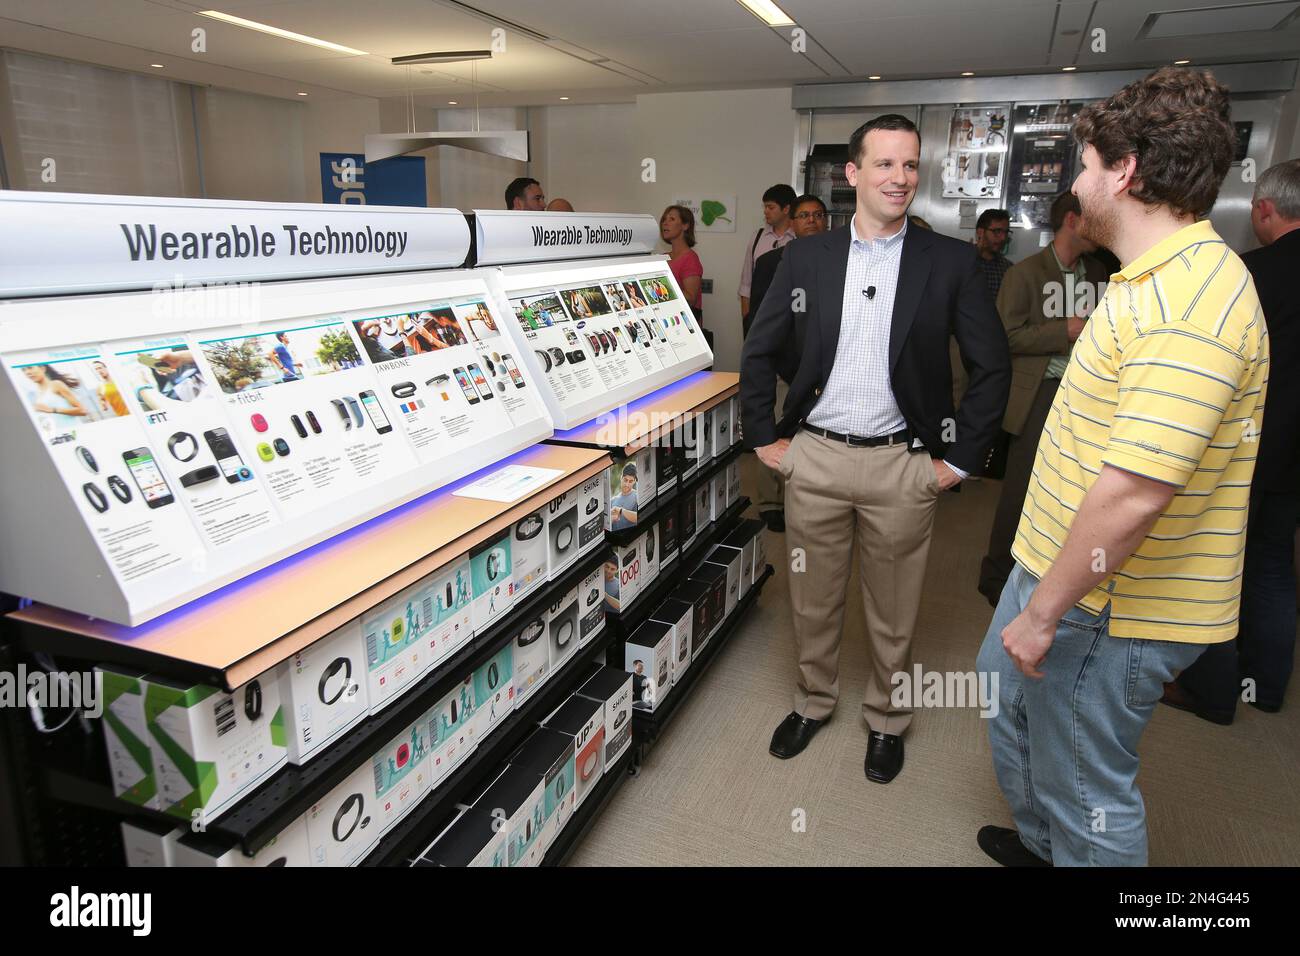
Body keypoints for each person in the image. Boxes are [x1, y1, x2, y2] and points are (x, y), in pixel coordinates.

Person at [975, 67, 1266, 867]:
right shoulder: (1151, 279)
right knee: (1008, 707)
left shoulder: (1189, 303)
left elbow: (1135, 494)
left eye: (1086, 166)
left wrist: (1044, 613)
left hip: (1107, 603)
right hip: (1060, 572)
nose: (1076, 184)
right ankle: (1043, 847)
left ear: (1125, 172)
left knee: (1086, 789)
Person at [741, 114, 1010, 782]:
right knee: (812, 597)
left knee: (894, 611)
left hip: (902, 465)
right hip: (816, 459)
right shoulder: (806, 258)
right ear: (853, 172)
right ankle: (813, 701)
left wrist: (958, 460)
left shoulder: (949, 262)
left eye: (910, 164)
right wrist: (765, 439)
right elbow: (759, 349)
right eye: (885, 164)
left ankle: (888, 719)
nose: (900, 177)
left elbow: (992, 366)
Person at [1162, 158, 1300, 723]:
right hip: (1295, 458)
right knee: (1274, 564)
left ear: (1264, 209)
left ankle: (1214, 690)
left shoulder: (1250, 274)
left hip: (1249, 448)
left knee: (1218, 563)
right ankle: (1264, 686)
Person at [976, 191, 1109, 606]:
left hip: (1087, 395)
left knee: (1072, 492)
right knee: (1021, 488)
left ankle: (1047, 576)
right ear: (1072, 220)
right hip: (1040, 395)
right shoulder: (1026, 274)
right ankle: (997, 577)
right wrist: (1061, 331)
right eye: (1093, 220)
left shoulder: (1100, 274)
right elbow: (1003, 337)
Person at [743, 193, 830, 532]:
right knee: (776, 433)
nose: (812, 221)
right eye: (804, 215)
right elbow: (760, 321)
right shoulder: (771, 262)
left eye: (818, 215)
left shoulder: (841, 260)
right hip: (783, 363)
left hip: (823, 367)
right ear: (793, 222)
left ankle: (809, 501)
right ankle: (771, 502)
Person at [738, 184, 796, 323]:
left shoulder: (799, 238)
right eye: (765, 207)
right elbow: (746, 284)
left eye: (771, 207)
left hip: (791, 314)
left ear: (786, 209)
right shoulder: (757, 237)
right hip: (760, 315)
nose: (765, 211)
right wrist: (747, 319)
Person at [660, 205, 703, 317]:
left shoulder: (690, 258)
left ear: (685, 225)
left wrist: (663, 285)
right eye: (664, 219)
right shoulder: (662, 258)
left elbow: (691, 299)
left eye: (672, 219)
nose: (665, 223)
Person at [973, 208, 1013, 299]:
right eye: (997, 231)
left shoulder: (1007, 268)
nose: (1003, 238)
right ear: (980, 232)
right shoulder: (964, 262)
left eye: (1006, 232)